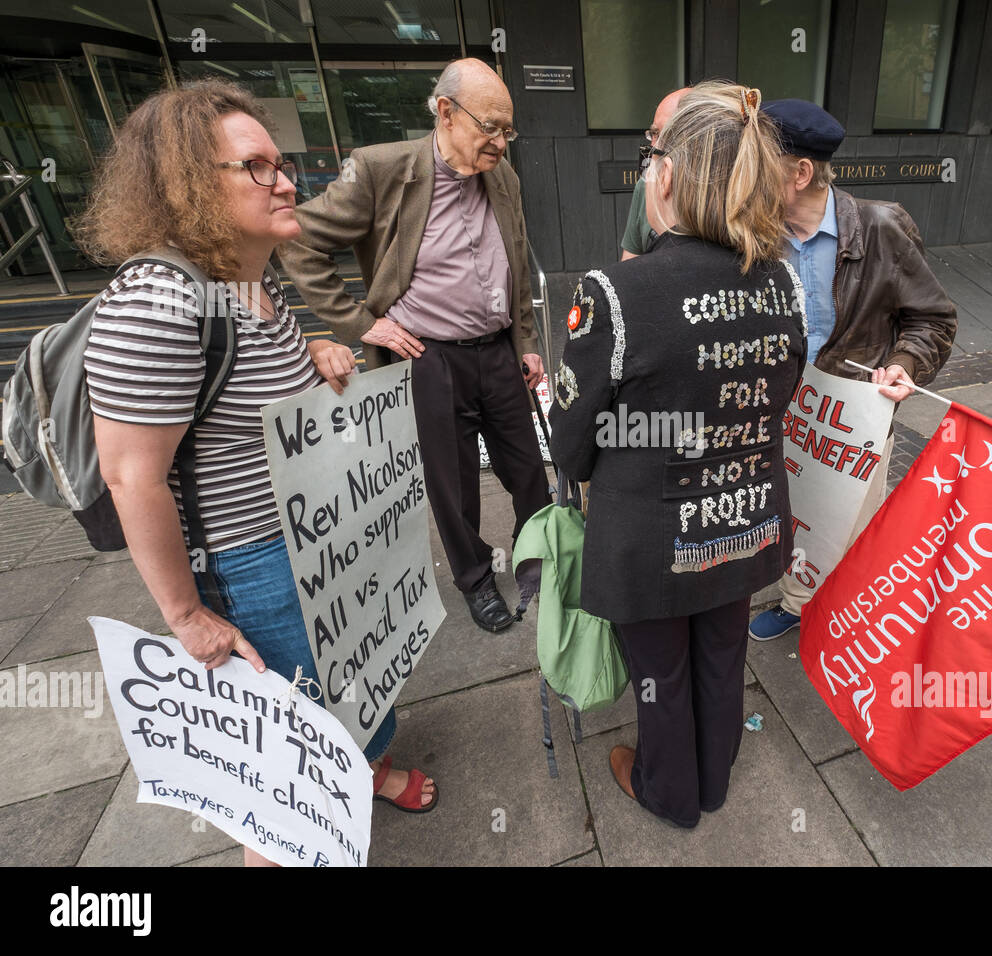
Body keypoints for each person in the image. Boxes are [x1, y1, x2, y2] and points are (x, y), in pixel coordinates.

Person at [77, 81, 438, 866]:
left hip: (317, 542)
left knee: (350, 681)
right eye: (257, 168)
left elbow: (243, 394)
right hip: (253, 567)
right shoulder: (159, 300)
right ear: (188, 188)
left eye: (283, 163)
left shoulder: (254, 281)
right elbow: (131, 475)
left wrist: (315, 355)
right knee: (284, 768)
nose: (286, 182)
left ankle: (366, 771)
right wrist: (187, 617)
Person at [548, 81, 806, 828]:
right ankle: (713, 779)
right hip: (745, 519)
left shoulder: (616, 292)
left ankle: (670, 793)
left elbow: (572, 444)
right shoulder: (783, 282)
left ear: (667, 173)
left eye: (650, 156)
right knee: (723, 658)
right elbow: (772, 396)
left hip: (651, 539)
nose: (646, 170)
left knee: (660, 671)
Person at [278, 58, 550, 634]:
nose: (501, 142)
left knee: (529, 471)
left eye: (509, 130)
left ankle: (536, 564)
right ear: (446, 113)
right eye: (491, 127)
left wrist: (526, 338)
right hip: (427, 357)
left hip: (498, 350)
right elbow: (299, 241)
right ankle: (476, 581)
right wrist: (359, 323)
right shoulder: (382, 169)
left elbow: (518, 264)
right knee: (453, 485)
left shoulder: (503, 176)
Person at [747, 99, 958, 642]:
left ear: (799, 173)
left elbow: (931, 318)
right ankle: (796, 595)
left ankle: (832, 608)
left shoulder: (881, 228)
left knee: (848, 522)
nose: (744, 172)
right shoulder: (751, 234)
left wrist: (903, 363)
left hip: (853, 417)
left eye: (758, 160)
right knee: (786, 509)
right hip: (781, 410)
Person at [620, 87, 689, 260]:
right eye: (654, 134)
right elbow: (630, 262)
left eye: (662, 133)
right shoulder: (645, 185)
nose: (653, 146)